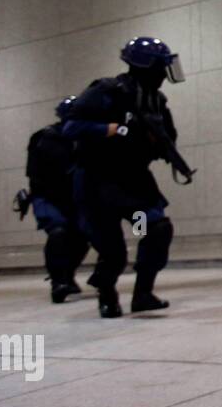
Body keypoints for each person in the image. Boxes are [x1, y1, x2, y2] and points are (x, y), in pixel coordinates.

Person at [63, 36, 189, 319]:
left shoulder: (156, 100)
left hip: (133, 184)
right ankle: (107, 294)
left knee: (154, 228)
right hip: (98, 183)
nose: (163, 75)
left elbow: (167, 135)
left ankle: (143, 294)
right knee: (114, 251)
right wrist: (113, 130)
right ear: (146, 66)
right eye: (159, 67)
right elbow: (71, 127)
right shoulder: (107, 91)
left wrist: (160, 146)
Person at [22, 95, 92, 303]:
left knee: (83, 237)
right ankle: (58, 282)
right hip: (48, 196)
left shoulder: (84, 140)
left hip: (75, 198)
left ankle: (67, 276)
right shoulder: (45, 138)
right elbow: (36, 175)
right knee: (58, 233)